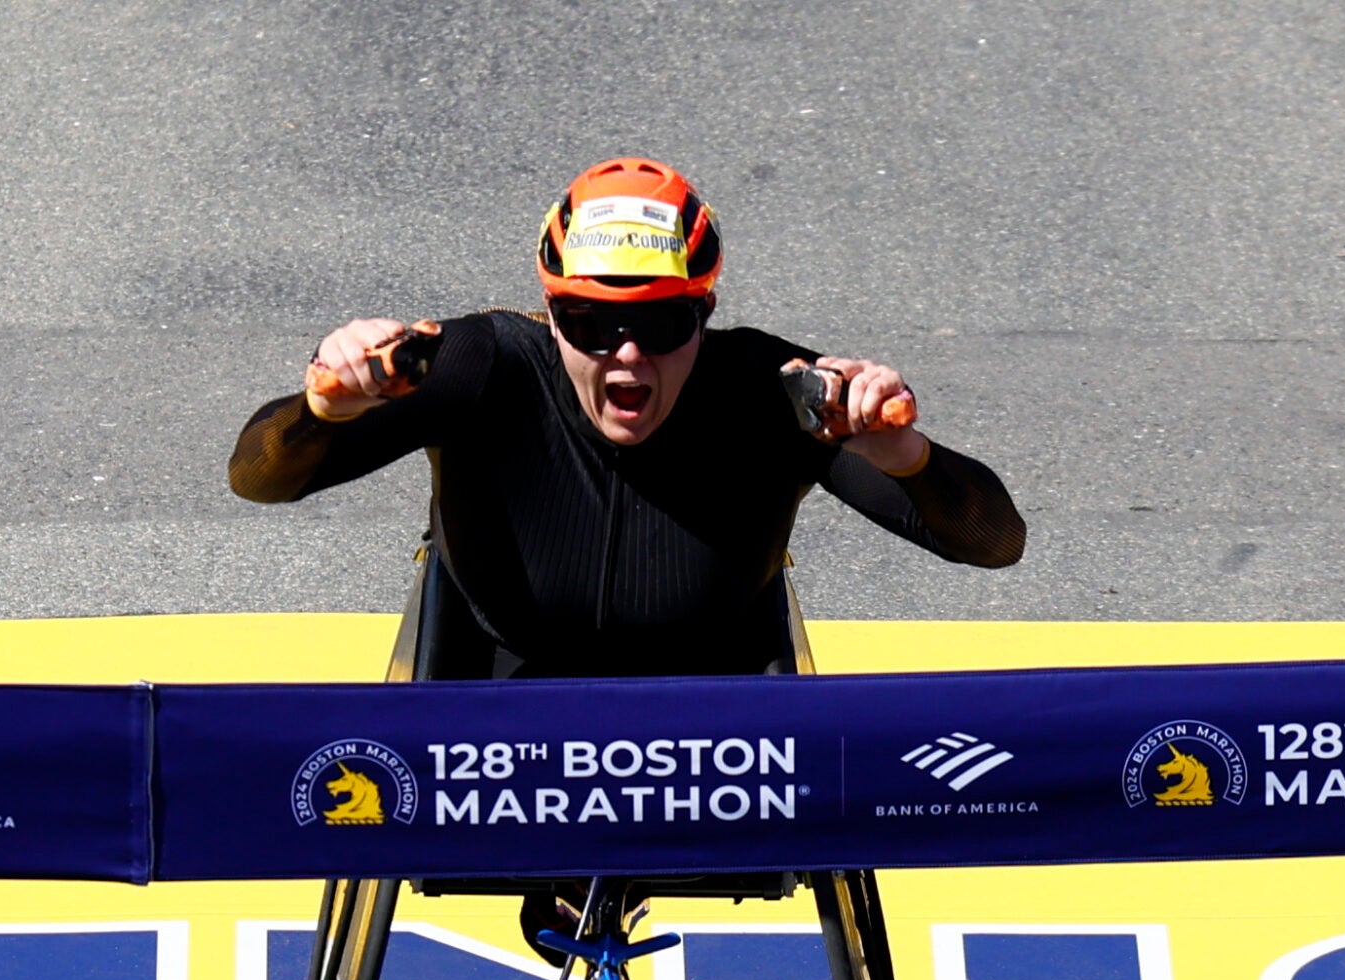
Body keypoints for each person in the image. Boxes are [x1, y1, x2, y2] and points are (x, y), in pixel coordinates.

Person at [228, 156, 1025, 683]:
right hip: (498, 701)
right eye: (592, 323)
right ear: (550, 313)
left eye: (664, 323)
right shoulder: (480, 366)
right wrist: (322, 410)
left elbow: (995, 543)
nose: (629, 355)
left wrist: (906, 455)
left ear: (705, 313)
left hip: (708, 722)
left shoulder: (773, 391)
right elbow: (258, 478)